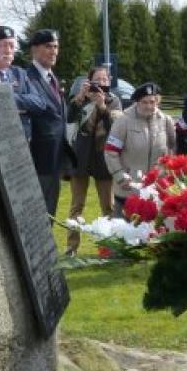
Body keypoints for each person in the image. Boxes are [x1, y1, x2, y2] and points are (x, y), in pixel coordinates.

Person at [64, 65, 123, 256]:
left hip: (103, 157)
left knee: (108, 206)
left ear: (109, 81)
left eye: (104, 80)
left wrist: (102, 105)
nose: (101, 84)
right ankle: (71, 248)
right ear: (88, 81)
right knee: (76, 205)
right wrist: (80, 97)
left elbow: (115, 127)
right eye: (97, 80)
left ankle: (111, 246)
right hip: (80, 157)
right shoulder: (80, 100)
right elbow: (69, 120)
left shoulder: (114, 101)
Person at [104, 82, 176, 218]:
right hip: (129, 190)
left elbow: (172, 148)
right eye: (144, 102)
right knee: (124, 235)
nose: (149, 106)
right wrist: (120, 176)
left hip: (157, 190)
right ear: (137, 102)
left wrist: (167, 174)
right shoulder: (123, 121)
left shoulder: (166, 120)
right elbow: (110, 152)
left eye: (152, 102)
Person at [20, 28, 70, 217]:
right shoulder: (27, 77)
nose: (54, 51)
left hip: (55, 160)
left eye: (56, 46)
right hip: (37, 160)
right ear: (34, 49)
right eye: (48, 46)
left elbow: (57, 116)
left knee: (50, 212)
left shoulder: (52, 78)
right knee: (36, 216)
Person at [0, 26, 35, 144]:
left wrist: (8, 98)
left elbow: (39, 102)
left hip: (21, 141)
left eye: (11, 46)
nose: (8, 50)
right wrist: (23, 108)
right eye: (3, 45)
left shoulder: (19, 73)